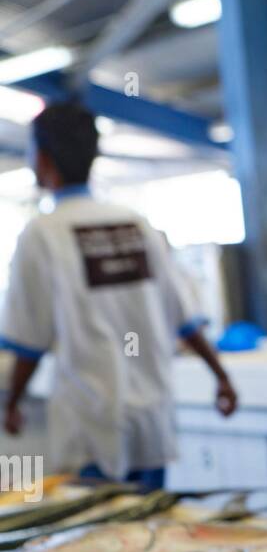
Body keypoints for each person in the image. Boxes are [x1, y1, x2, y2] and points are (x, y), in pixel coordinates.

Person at [1, 100, 238, 490]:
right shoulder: (136, 225)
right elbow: (184, 319)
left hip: (91, 428)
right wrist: (222, 377)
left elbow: (29, 342)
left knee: (103, 541)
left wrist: (12, 402)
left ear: (42, 158)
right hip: (149, 421)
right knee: (146, 533)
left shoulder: (43, 234)